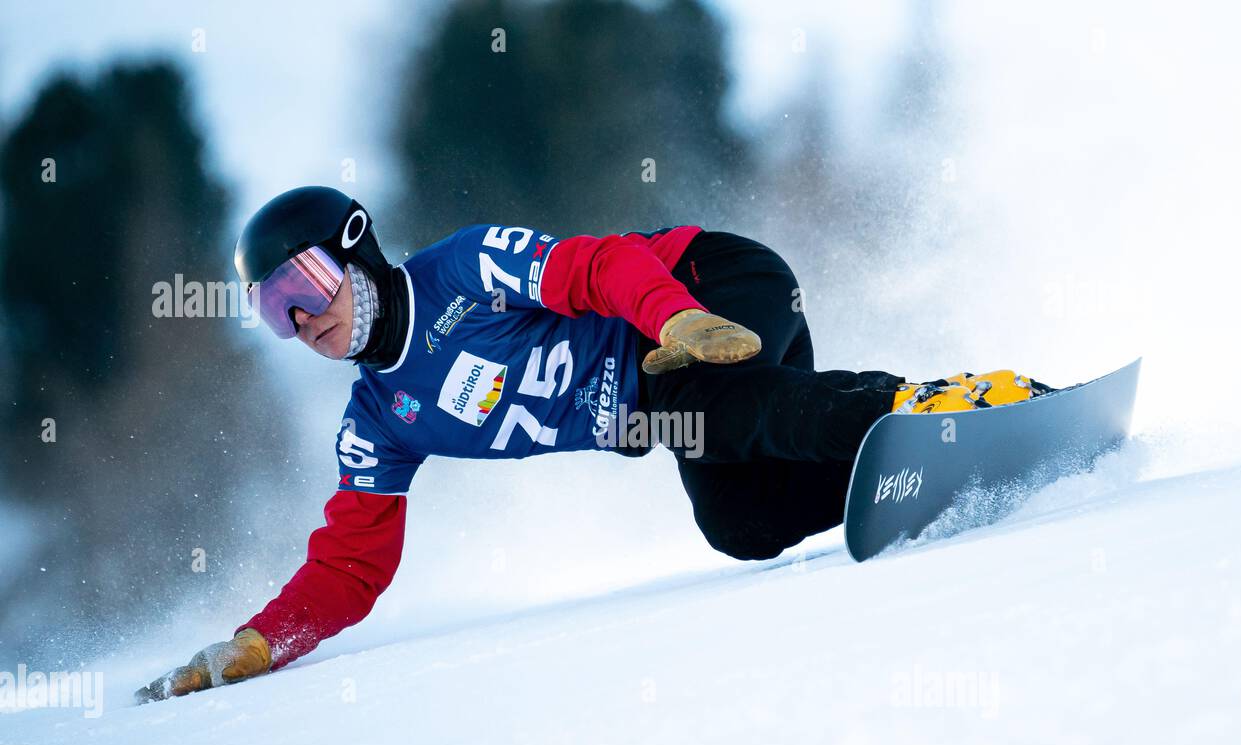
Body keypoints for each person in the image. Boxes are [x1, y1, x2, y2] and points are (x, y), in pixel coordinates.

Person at [136, 186, 1044, 702]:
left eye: (306, 283)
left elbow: (598, 265)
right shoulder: (377, 418)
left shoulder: (463, 269)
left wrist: (677, 314)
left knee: (719, 407)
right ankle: (912, 466)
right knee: (739, 519)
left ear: (357, 250)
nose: (303, 320)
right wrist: (262, 641)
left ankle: (938, 405)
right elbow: (351, 565)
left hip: (708, 281)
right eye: (272, 312)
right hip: (670, 384)